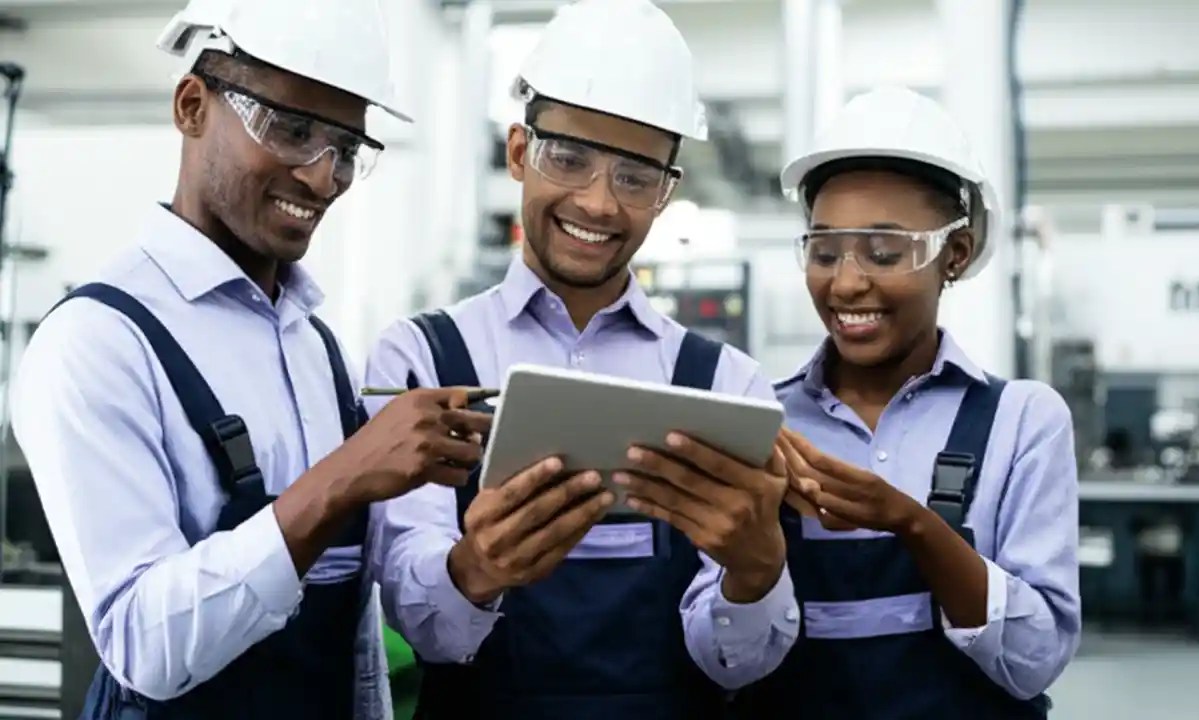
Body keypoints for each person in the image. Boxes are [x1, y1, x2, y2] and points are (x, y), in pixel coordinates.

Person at [11, 1, 495, 718]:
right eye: (293, 131)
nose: (323, 177)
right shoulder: (97, 344)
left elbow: (353, 634)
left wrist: (481, 561)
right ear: (191, 105)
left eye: (346, 149)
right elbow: (143, 647)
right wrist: (340, 480)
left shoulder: (315, 347)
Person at [362, 0, 800, 716]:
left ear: (666, 193)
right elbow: (417, 619)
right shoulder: (425, 359)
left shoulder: (726, 383)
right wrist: (476, 569)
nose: (598, 203)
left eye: (635, 177)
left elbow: (737, 664)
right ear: (516, 153)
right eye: (568, 159)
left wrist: (755, 574)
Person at [731, 87, 1081, 718]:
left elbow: (1035, 658)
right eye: (825, 250)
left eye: (885, 252)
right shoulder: (759, 420)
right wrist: (748, 560)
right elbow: (719, 657)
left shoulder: (1022, 421)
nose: (846, 281)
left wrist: (911, 522)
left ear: (957, 254)